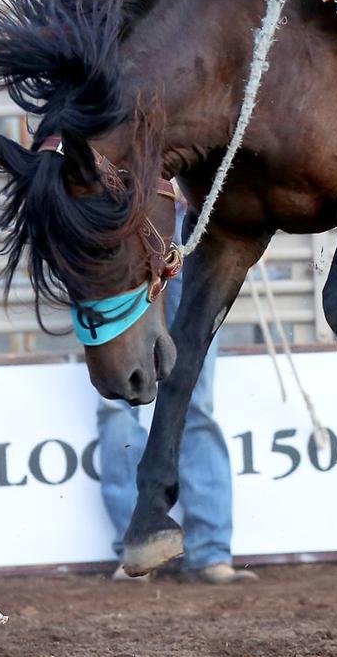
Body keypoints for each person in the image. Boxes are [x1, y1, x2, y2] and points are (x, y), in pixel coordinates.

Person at [96, 205, 258, 584]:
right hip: (119, 243)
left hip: (181, 243)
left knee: (189, 403)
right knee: (125, 405)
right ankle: (159, 548)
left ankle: (204, 551)